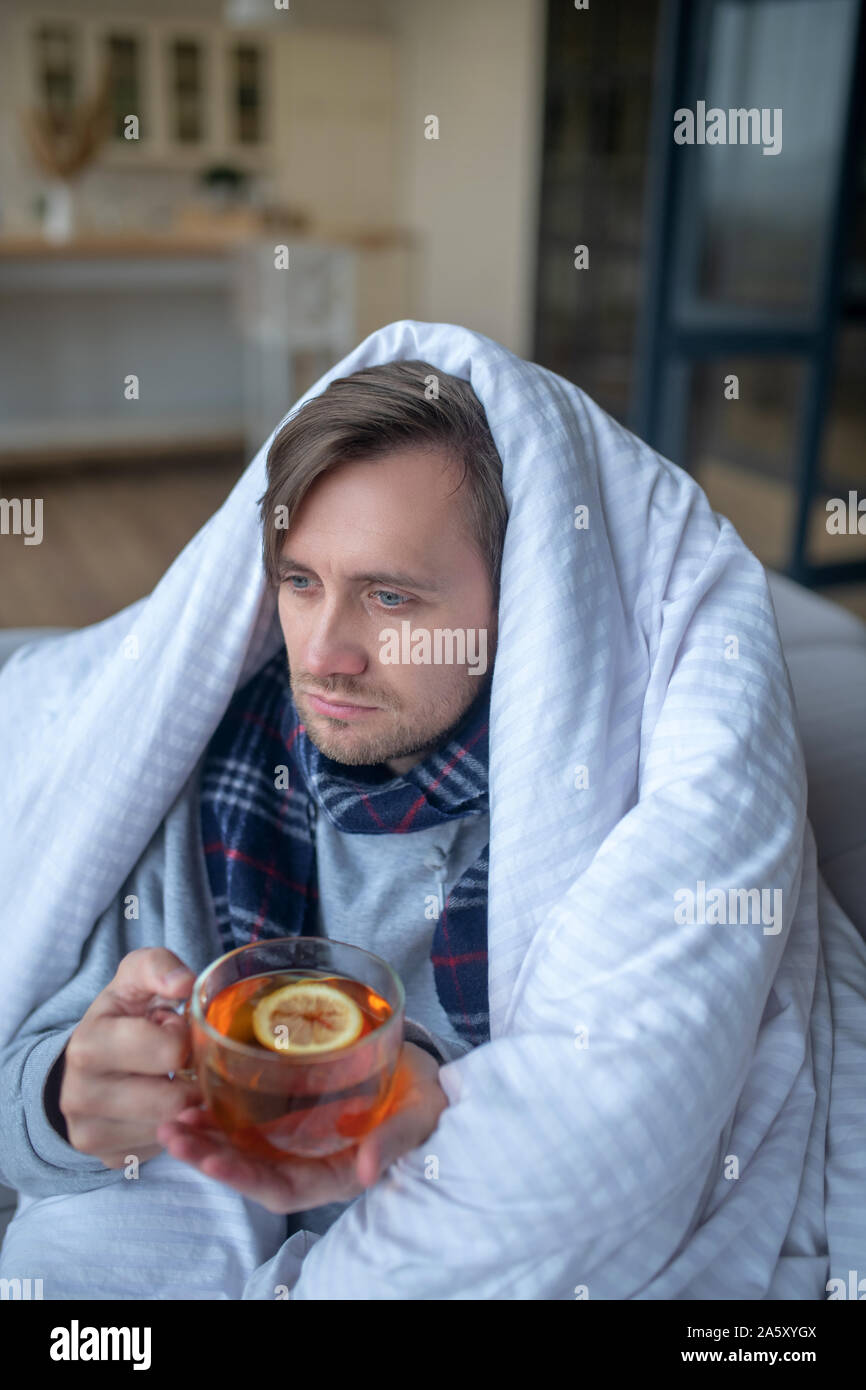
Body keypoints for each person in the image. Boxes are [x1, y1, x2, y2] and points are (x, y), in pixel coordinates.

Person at [1, 320, 864, 1300]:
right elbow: (29, 1069)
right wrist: (62, 1097)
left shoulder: (615, 802)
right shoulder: (216, 771)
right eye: (298, 581)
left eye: (390, 598)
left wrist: (443, 1113)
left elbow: (630, 1101)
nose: (322, 653)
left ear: (525, 596)